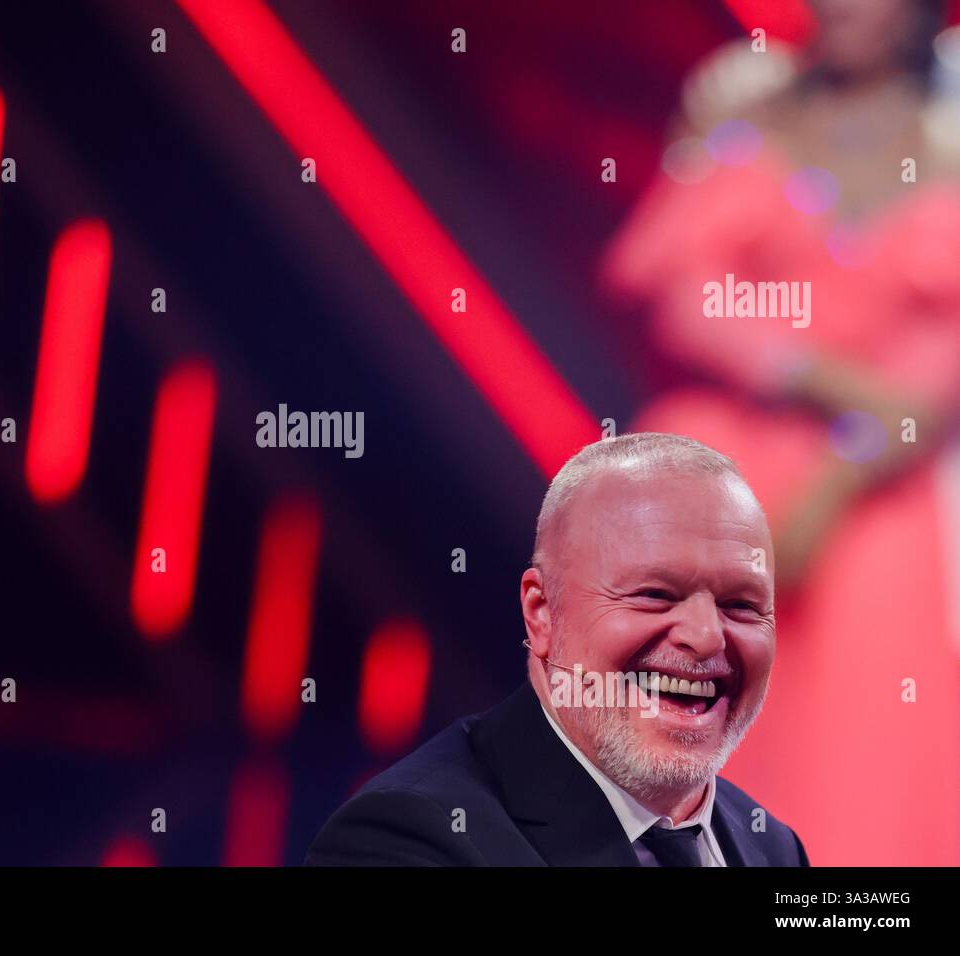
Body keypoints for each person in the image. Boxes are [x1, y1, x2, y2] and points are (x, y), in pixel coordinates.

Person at [603, 0, 960, 865]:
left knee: (857, 766)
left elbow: (938, 376)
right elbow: (677, 296)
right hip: (713, 468)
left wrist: (827, 493)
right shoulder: (744, 112)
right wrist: (820, 375)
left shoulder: (950, 142)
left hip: (868, 497)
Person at [305, 434, 807, 866]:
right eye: (654, 595)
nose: (706, 636)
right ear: (542, 612)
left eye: (740, 605)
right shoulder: (407, 838)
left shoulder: (771, 847)